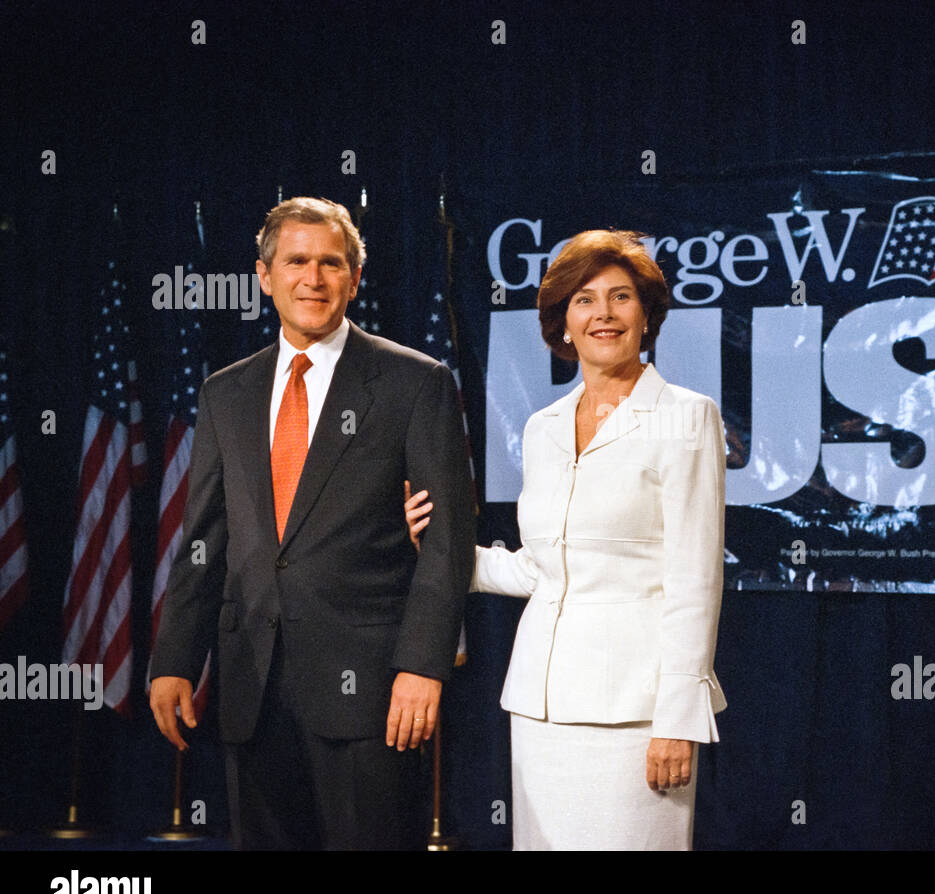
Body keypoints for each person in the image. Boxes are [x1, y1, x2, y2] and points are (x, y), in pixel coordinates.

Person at [150, 197, 476, 850]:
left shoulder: (416, 382)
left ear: (355, 279)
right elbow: (204, 540)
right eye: (296, 262)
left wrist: (423, 665)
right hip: (253, 687)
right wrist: (175, 658)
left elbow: (446, 544)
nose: (314, 278)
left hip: (373, 693)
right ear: (264, 276)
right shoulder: (225, 392)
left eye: (331, 263)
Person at [406, 229, 726, 850]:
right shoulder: (543, 427)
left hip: (638, 713)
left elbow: (696, 580)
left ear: (647, 315)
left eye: (621, 297)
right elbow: (540, 570)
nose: (603, 314)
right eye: (584, 300)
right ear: (563, 323)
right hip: (540, 705)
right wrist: (441, 550)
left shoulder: (686, 416)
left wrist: (677, 718)